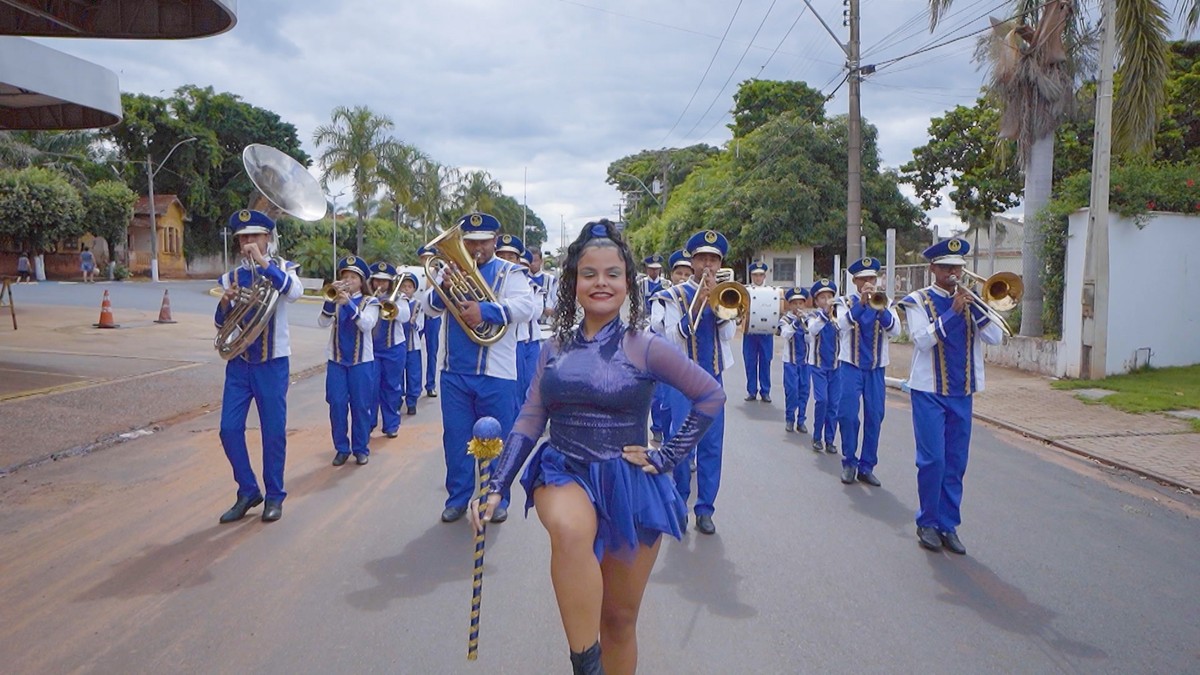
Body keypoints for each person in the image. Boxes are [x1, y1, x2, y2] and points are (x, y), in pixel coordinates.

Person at [472, 219, 725, 675]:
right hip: (564, 469)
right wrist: (497, 484)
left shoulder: (647, 346)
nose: (601, 283)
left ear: (628, 283)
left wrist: (667, 455)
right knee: (570, 530)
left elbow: (710, 395)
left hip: (631, 485)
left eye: (612, 273)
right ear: (573, 283)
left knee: (620, 620)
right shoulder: (554, 349)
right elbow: (531, 418)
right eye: (589, 273)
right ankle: (585, 666)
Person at [422, 212, 536, 524]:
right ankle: (458, 498)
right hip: (454, 371)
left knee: (497, 442)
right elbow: (428, 309)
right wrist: (441, 288)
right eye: (470, 242)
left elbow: (528, 307)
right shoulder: (449, 270)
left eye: (483, 242)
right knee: (456, 439)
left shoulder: (510, 272)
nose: (476, 249)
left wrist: (484, 311)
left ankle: (496, 500)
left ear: (494, 242)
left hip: (496, 372)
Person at [900, 238, 1003, 555]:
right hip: (929, 390)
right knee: (933, 460)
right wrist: (952, 314)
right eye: (945, 268)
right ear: (933, 269)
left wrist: (977, 309)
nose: (952, 274)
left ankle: (949, 525)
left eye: (957, 268)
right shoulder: (918, 300)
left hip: (963, 389)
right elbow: (921, 340)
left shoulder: (973, 301)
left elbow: (997, 337)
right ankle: (927, 522)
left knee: (956, 462)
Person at [213, 209, 303, 523]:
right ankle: (248, 490)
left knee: (273, 433)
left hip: (272, 363)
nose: (248, 242)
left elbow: (293, 293)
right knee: (228, 429)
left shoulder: (284, 269)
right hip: (239, 363)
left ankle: (275, 496)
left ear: (268, 238)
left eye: (255, 236)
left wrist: (265, 265)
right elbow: (220, 323)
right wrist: (225, 302)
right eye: (243, 237)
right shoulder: (231, 277)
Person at [652, 230, 733, 535]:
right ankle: (679, 502)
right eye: (702, 259)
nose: (708, 265)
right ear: (693, 260)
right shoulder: (672, 295)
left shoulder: (724, 292)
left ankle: (706, 509)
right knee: (681, 444)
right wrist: (698, 302)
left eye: (713, 259)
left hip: (713, 378)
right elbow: (673, 335)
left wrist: (716, 302)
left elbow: (726, 335)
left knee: (712, 444)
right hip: (682, 380)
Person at [836, 257, 901, 486]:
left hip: (876, 368)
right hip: (850, 366)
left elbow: (896, 331)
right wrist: (861, 305)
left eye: (871, 278)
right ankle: (849, 462)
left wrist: (881, 309)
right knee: (847, 415)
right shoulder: (844, 302)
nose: (868, 283)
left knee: (875, 415)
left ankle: (867, 466)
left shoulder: (886, 302)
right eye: (863, 279)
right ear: (854, 281)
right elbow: (841, 325)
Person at [319, 255, 380, 467]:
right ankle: (341, 448)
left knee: (361, 406)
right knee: (336, 404)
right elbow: (321, 323)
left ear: (361, 281)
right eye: (345, 276)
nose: (348, 280)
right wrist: (330, 301)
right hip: (336, 360)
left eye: (353, 277)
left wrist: (348, 306)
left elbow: (367, 324)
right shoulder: (335, 299)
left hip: (361, 362)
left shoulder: (371, 301)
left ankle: (361, 448)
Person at [368, 261, 410, 439]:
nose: (380, 285)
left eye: (384, 282)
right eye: (377, 280)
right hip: (371, 349)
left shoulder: (398, 296)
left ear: (390, 282)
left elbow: (406, 316)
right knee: (370, 387)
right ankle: (369, 423)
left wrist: (391, 305)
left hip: (394, 348)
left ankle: (391, 424)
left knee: (392, 387)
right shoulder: (366, 296)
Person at [806, 279, 841, 454]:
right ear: (816, 301)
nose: (827, 300)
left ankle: (830, 440)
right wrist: (825, 314)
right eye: (822, 297)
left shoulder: (839, 318)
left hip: (836, 367)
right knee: (822, 401)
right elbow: (813, 330)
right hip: (818, 366)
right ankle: (817, 436)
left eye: (830, 297)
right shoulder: (814, 316)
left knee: (834, 404)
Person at [518, 248, 550, 405]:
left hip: (532, 341)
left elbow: (535, 313)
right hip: (515, 341)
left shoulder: (534, 287)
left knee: (531, 382)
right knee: (515, 384)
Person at [778, 287, 811, 434]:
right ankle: (790, 418)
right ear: (790, 305)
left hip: (805, 361)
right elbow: (785, 334)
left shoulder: (810, 319)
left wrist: (806, 327)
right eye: (795, 303)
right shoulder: (785, 319)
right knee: (792, 391)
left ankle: (801, 420)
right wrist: (796, 323)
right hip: (790, 361)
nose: (798, 306)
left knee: (804, 391)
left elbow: (812, 339)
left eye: (801, 303)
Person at [742, 261, 774, 402]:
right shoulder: (745, 291)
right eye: (755, 275)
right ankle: (751, 391)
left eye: (760, 275)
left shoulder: (772, 291)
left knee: (765, 362)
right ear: (751, 276)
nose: (758, 278)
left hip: (766, 333)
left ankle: (765, 391)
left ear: (764, 276)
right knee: (750, 361)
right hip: (749, 332)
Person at [397, 272, 424, 415]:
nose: (406, 289)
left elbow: (421, 324)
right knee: (398, 372)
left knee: (414, 374)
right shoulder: (396, 302)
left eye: (409, 287)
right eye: (403, 286)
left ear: (414, 289)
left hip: (413, 345)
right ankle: (397, 398)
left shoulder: (418, 304)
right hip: (398, 344)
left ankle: (412, 401)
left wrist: (414, 324)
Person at [417, 245, 442, 398]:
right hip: (417, 315)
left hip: (433, 317)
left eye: (429, 258)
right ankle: (413, 386)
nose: (427, 261)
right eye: (424, 258)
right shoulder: (415, 274)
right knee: (413, 352)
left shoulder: (439, 274)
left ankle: (430, 385)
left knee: (432, 351)